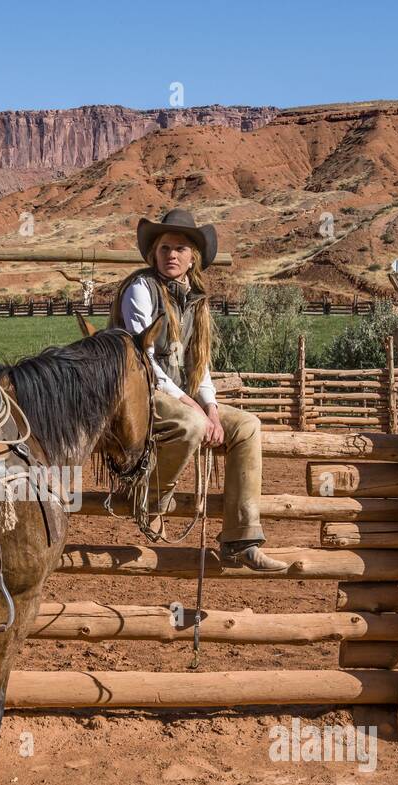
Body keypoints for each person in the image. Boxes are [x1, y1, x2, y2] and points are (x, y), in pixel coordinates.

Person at [109, 209, 289, 572]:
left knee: (247, 427)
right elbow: (143, 359)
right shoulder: (140, 290)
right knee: (190, 424)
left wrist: (209, 407)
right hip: (138, 393)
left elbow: (199, 365)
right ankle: (152, 497)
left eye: (179, 249)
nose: (170, 255)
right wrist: (191, 404)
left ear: (193, 259)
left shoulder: (196, 302)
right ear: (153, 254)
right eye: (163, 248)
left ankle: (242, 538)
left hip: (181, 397)